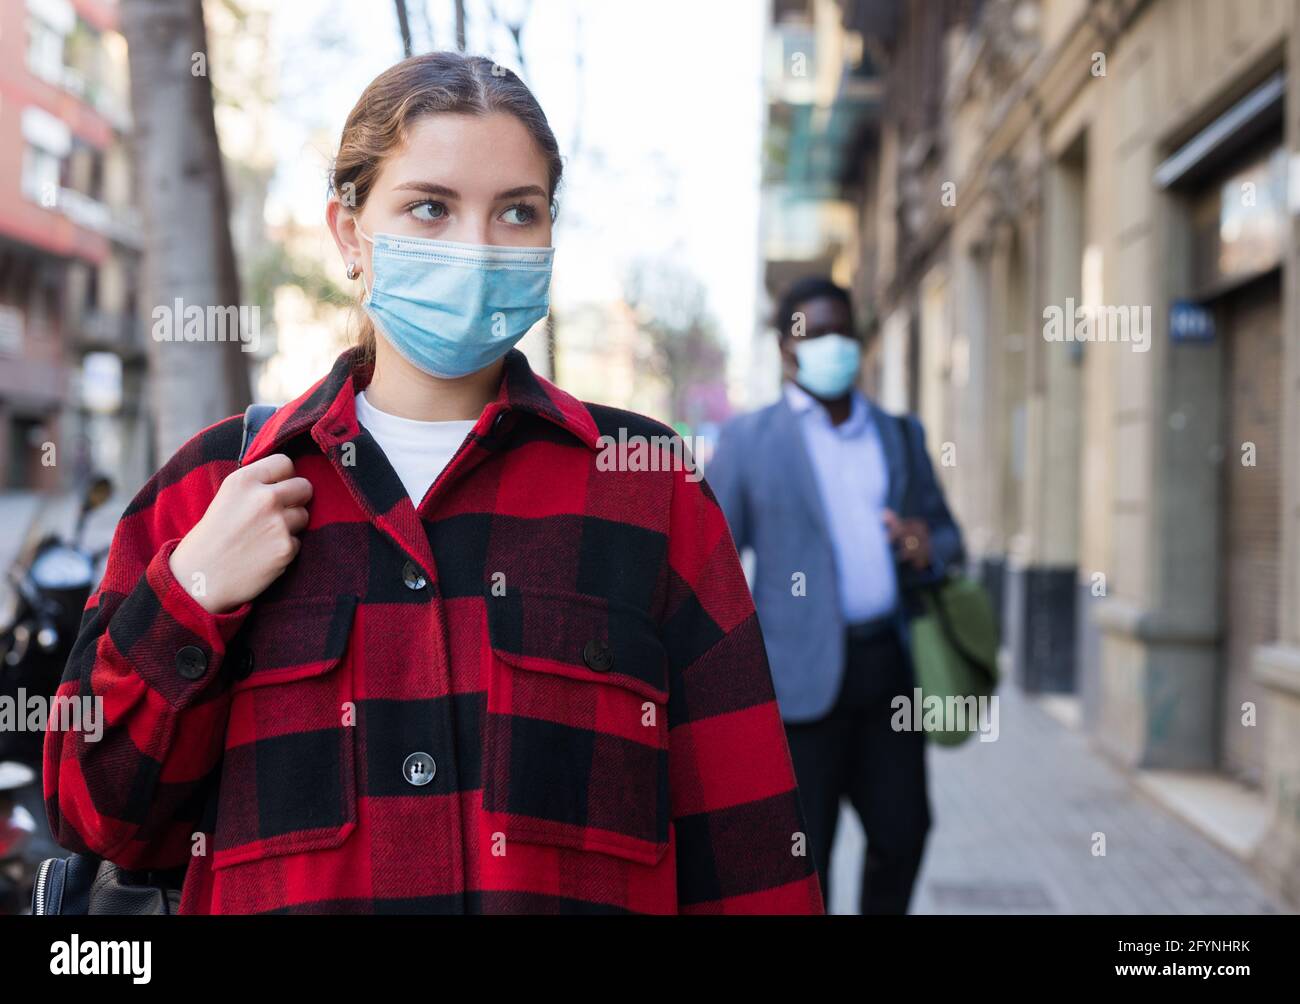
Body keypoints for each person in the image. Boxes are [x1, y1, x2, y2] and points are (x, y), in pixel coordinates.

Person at [43, 52, 823, 916]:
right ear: (348, 233)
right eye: (430, 207)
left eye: (516, 212)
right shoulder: (209, 489)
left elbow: (750, 855)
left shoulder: (649, 488)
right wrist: (193, 595)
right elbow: (94, 812)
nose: (476, 248)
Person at [707, 276, 964, 914]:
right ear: (786, 347)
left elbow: (951, 537)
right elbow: (712, 563)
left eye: (842, 331)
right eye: (815, 334)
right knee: (803, 857)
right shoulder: (748, 441)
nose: (833, 345)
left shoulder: (898, 434)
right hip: (797, 686)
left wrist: (927, 547)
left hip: (889, 672)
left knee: (903, 835)